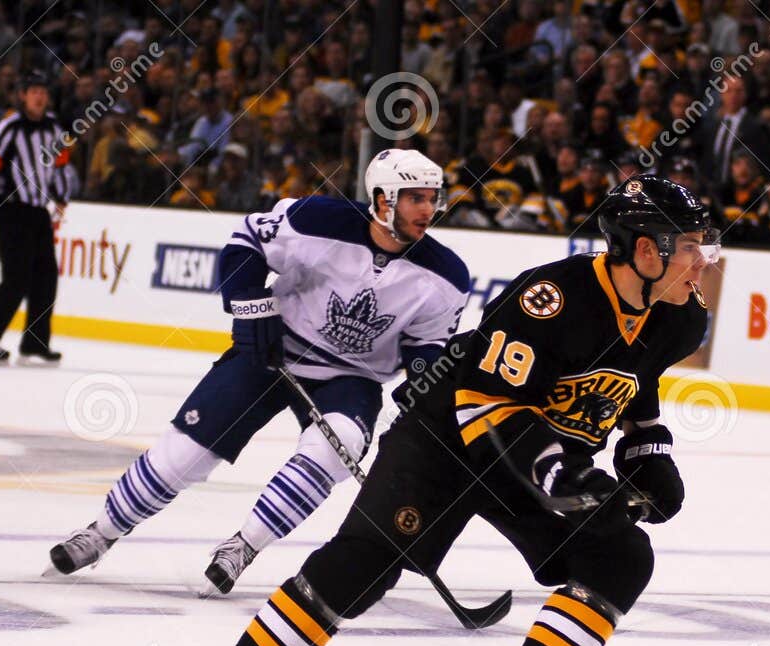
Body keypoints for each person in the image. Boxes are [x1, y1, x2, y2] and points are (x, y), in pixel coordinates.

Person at [160, 175, 714, 646]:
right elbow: (485, 405)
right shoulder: (552, 297)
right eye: (687, 247)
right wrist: (563, 474)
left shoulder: (679, 319)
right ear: (644, 250)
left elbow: (635, 382)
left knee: (622, 558)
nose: (701, 262)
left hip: (534, 461)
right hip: (447, 439)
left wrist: (646, 452)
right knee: (360, 566)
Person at [47, 149, 470, 596]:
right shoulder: (316, 220)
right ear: (383, 199)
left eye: (432, 198)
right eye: (416, 198)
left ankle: (244, 546)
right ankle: (104, 531)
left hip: (351, 379)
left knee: (338, 444)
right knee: (184, 454)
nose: (428, 210)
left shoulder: (446, 276)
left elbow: (426, 345)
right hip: (273, 352)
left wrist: (425, 382)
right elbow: (247, 240)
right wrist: (251, 306)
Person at [0, 73, 69, 365]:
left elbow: (60, 167)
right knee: (16, 279)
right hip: (10, 211)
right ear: (23, 95)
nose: (39, 96)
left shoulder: (54, 129)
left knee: (46, 277)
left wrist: (62, 198)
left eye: (43, 91)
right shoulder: (9, 128)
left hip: (38, 212)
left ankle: (35, 344)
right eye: (34, 91)